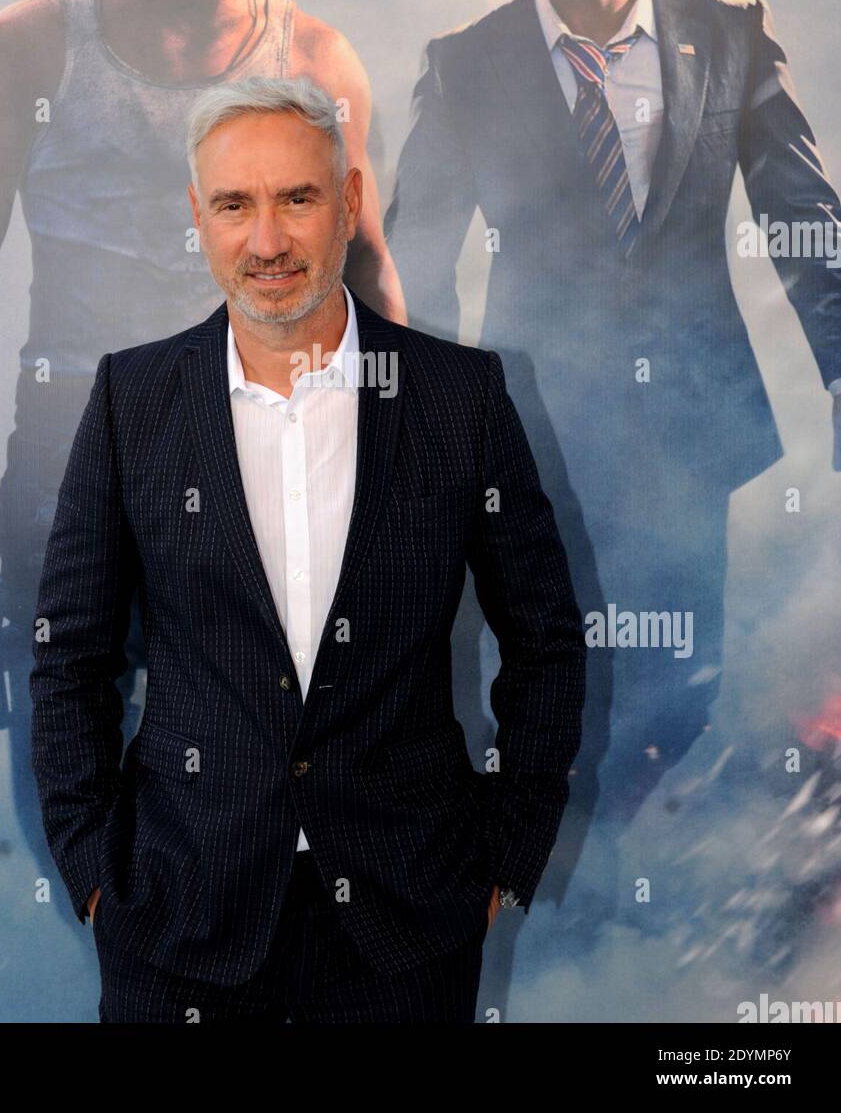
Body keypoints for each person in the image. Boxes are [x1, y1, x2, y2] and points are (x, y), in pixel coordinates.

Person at [0, 0, 400, 913]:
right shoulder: (35, 43)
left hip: (257, 433)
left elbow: (367, 269)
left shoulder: (314, 63)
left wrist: (412, 444)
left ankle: (222, 946)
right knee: (64, 721)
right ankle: (123, 939)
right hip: (70, 431)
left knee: (261, 721)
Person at [29, 76, 586, 1023]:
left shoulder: (459, 397)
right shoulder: (133, 400)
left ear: (350, 200)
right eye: (233, 206)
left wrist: (504, 858)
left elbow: (545, 644)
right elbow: (69, 657)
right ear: (197, 216)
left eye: (296, 198)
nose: (267, 241)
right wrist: (93, 872)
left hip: (406, 927)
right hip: (176, 923)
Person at [384, 0, 841, 884]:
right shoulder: (470, 64)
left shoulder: (726, 35)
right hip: (531, 444)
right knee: (544, 693)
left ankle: (601, 875)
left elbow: (806, 226)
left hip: (688, 431)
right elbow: (412, 262)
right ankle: (551, 908)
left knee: (679, 694)